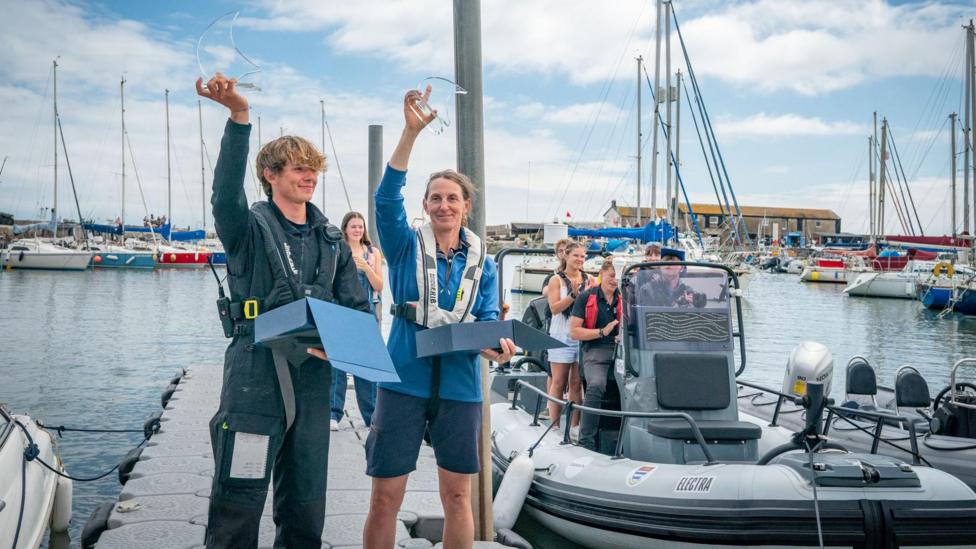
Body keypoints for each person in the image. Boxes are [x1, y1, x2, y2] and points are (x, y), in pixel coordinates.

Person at [196, 73, 372, 549]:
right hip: (255, 376)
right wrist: (238, 116)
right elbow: (224, 195)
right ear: (270, 175)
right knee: (239, 501)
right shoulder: (245, 229)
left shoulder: (333, 240)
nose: (308, 174)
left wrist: (344, 349)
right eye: (296, 167)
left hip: (315, 378)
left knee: (305, 503)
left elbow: (359, 313)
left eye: (312, 167)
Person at [363, 87, 516, 549]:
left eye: (453, 198)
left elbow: (487, 320)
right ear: (425, 206)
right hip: (402, 380)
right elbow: (387, 199)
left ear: (466, 206)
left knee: (457, 498)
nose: (444, 205)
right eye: (435, 198)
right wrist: (410, 133)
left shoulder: (484, 263)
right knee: (385, 498)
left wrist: (499, 347)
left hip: (461, 386)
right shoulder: (404, 245)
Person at [330, 211, 381, 431]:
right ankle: (333, 414)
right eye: (353, 226)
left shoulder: (373, 252)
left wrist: (365, 267)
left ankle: (372, 416)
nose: (357, 230)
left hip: (365, 312)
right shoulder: (337, 251)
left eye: (360, 226)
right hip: (340, 311)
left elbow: (378, 286)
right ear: (345, 229)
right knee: (337, 366)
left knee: (366, 367)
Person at [569, 257, 621, 451]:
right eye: (611, 276)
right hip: (596, 349)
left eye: (618, 276)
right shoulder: (586, 297)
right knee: (596, 385)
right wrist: (602, 332)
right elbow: (574, 332)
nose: (614, 280)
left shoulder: (626, 297)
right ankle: (586, 441)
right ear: (601, 276)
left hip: (623, 351)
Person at [545, 241, 589, 438]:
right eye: (576, 256)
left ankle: (574, 426)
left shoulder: (589, 279)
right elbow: (554, 308)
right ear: (566, 257)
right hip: (561, 334)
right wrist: (573, 295)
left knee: (576, 383)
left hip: (580, 335)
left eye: (582, 256)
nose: (579, 260)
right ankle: (554, 426)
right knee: (558, 381)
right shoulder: (556, 280)